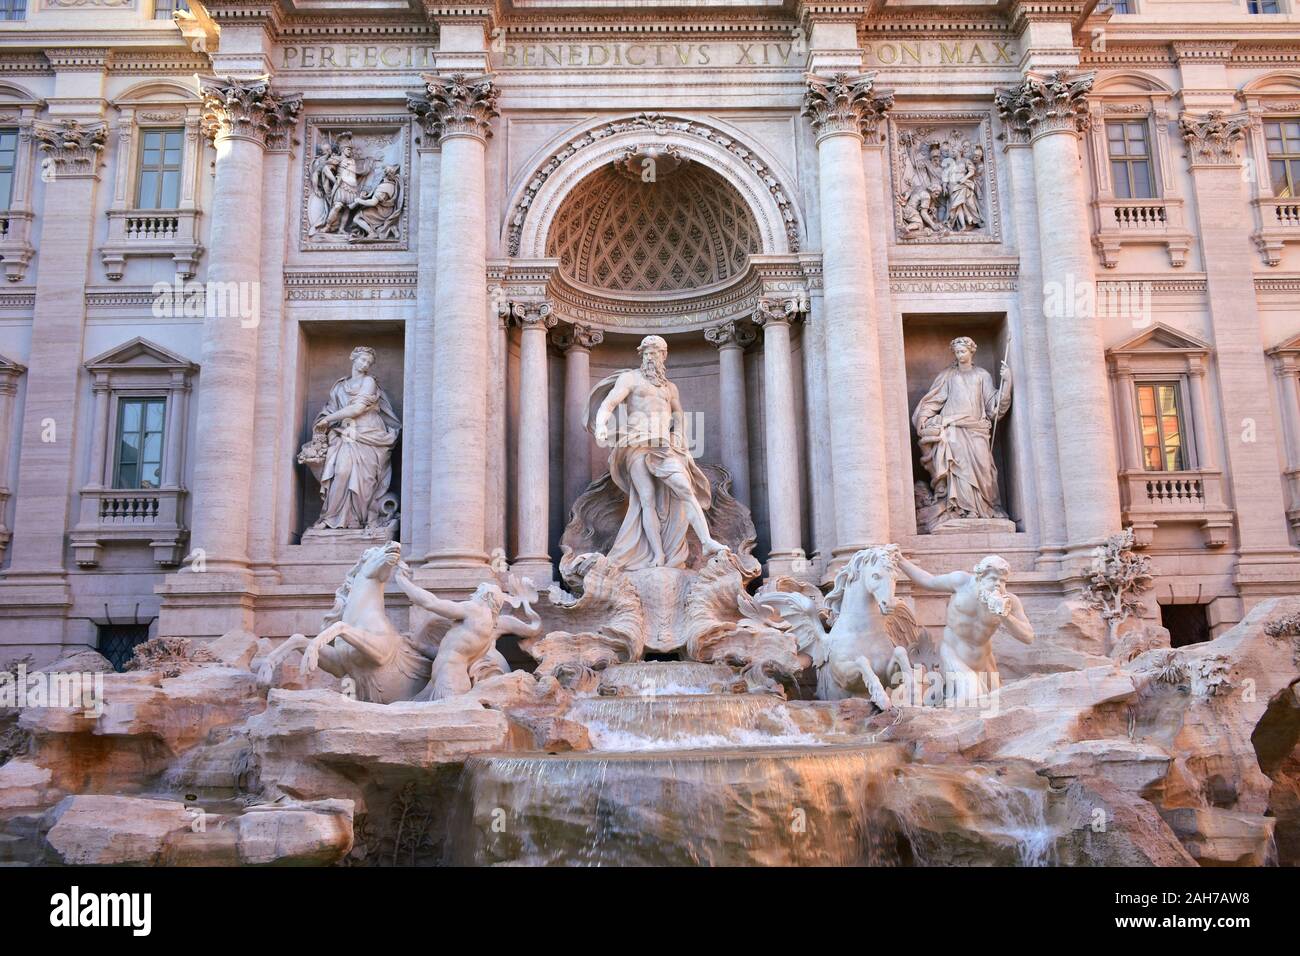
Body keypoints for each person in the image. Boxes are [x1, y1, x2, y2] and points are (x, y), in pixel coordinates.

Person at [589, 335, 728, 570]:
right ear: (641, 355)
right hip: (636, 443)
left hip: (663, 445)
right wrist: (602, 424)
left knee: (685, 489)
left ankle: (706, 542)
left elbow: (679, 415)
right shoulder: (630, 379)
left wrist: (679, 436)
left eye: (655, 352)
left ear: (664, 356)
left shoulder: (669, 388)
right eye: (647, 353)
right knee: (647, 499)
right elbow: (609, 404)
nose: (651, 357)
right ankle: (657, 554)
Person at [896, 554, 1034, 703]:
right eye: (993, 579)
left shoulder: (1009, 602)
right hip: (953, 654)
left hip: (984, 661)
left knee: (995, 705)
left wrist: (1005, 616)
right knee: (970, 699)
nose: (998, 585)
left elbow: (1028, 637)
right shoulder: (961, 583)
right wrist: (901, 561)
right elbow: (928, 581)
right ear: (980, 577)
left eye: (1002, 581)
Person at [912, 336, 1011, 524]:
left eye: (963, 351)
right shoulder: (948, 375)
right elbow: (935, 400)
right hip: (953, 428)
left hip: (977, 429)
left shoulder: (982, 375)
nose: (960, 355)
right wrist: (924, 416)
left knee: (984, 468)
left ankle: (985, 507)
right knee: (959, 469)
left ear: (971, 351)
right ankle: (963, 510)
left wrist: (1007, 383)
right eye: (957, 352)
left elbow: (993, 406)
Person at [302, 346, 400, 530]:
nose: (365, 364)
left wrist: (328, 420)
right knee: (341, 471)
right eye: (363, 359)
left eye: (369, 362)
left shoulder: (369, 381)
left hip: (370, 434)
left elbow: (357, 409)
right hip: (346, 433)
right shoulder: (339, 386)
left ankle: (358, 521)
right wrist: (324, 421)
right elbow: (330, 409)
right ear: (353, 358)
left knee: (365, 480)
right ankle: (331, 518)